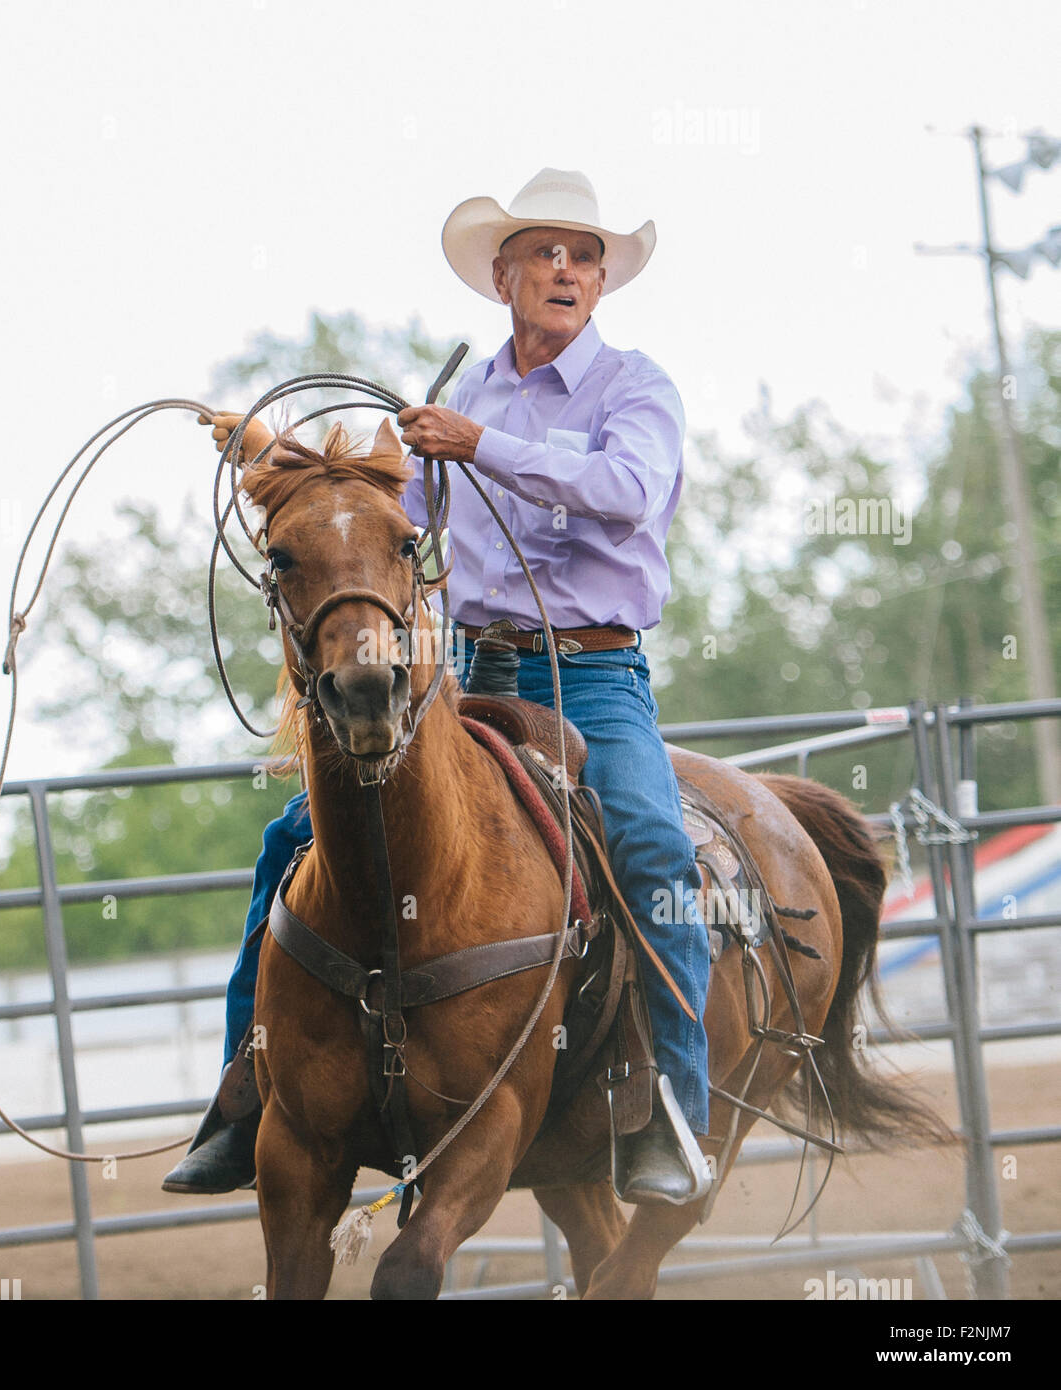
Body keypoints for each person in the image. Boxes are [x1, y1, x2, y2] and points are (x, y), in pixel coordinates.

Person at [163, 168, 711, 1205]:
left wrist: (483, 445)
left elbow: (628, 492)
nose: (564, 269)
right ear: (502, 275)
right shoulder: (460, 400)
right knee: (292, 836)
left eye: (582, 255)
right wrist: (267, 454)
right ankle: (245, 1096)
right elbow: (371, 507)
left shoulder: (632, 390)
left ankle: (676, 1115)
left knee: (652, 843)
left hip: (592, 672)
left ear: (601, 282)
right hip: (462, 673)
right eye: (543, 252)